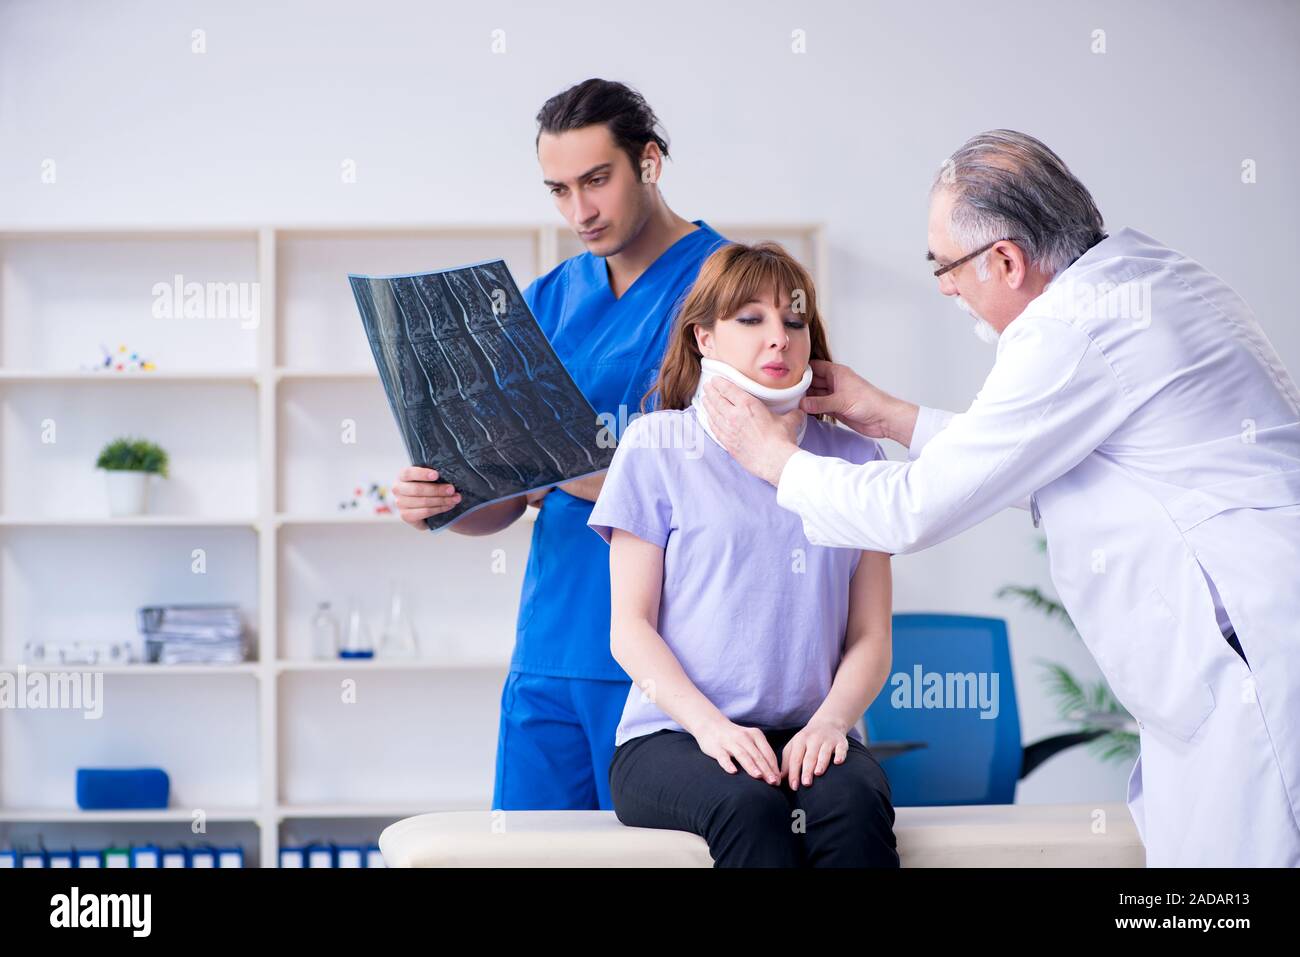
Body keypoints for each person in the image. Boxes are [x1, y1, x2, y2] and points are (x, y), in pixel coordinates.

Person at [702, 129, 1300, 867]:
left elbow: (917, 508)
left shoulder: (1073, 331)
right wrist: (890, 415)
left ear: (1006, 260)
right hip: (1247, 651)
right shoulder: (1148, 281)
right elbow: (1058, 463)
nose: (947, 288)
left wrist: (774, 459)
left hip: (1253, 663)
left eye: (944, 268)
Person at [390, 78, 728, 810]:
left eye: (597, 181)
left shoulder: (728, 288)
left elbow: (727, 483)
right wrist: (443, 500)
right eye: (558, 189)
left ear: (650, 162)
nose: (581, 211)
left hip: (667, 661)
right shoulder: (546, 298)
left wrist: (561, 467)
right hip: (549, 647)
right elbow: (505, 500)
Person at [589, 241, 899, 867]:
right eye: (750, 319)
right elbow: (629, 629)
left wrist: (833, 723)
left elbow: (871, 635)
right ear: (704, 338)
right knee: (752, 806)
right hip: (675, 735)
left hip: (812, 730)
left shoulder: (855, 459)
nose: (778, 338)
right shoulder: (657, 446)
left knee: (854, 807)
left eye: (793, 320)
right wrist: (712, 729)